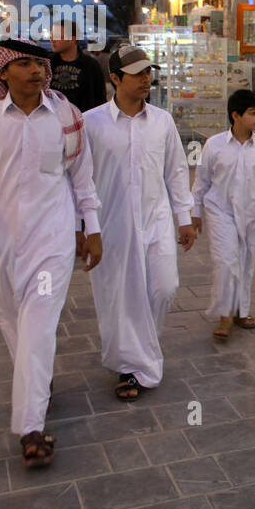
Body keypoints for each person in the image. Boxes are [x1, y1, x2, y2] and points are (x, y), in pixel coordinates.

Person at [0, 39, 104, 469]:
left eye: (40, 63)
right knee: (13, 322)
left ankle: (31, 428)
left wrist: (90, 229)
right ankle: (38, 384)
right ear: (2, 74)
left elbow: (82, 180)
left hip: (52, 240)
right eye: (23, 64)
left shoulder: (66, 116)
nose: (36, 70)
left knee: (38, 323)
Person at [83, 45, 196, 401]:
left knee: (164, 287)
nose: (146, 79)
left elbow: (177, 171)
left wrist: (184, 217)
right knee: (118, 297)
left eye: (149, 72)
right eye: (137, 73)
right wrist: (84, 227)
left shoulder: (162, 121)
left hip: (156, 220)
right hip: (111, 225)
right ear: (115, 78)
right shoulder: (91, 123)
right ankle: (129, 367)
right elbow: (80, 179)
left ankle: (141, 352)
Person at [191, 89, 255, 341]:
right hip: (219, 211)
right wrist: (195, 212)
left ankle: (240, 311)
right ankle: (225, 315)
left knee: (245, 263)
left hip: (252, 214)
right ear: (236, 115)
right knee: (226, 262)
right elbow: (201, 182)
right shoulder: (214, 145)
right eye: (252, 113)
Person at [48, 19, 108, 113]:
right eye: (51, 36)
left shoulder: (91, 66)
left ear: (72, 39)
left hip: (84, 121)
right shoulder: (48, 63)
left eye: (57, 36)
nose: (52, 40)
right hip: (53, 121)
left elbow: (100, 98)